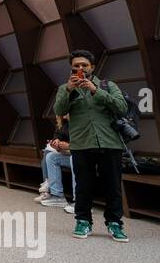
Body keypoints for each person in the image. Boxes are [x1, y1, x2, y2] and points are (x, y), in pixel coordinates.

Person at [53, 49, 130, 241]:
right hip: (81, 144)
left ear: (92, 67)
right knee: (83, 186)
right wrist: (69, 90)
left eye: (84, 65)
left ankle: (115, 223)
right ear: (71, 69)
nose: (80, 69)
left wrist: (96, 91)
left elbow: (121, 108)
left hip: (110, 143)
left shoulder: (108, 85)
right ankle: (83, 221)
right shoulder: (65, 89)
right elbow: (59, 111)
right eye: (76, 66)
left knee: (112, 186)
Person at [35, 115, 72, 208]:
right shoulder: (64, 123)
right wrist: (56, 142)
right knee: (49, 154)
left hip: (81, 156)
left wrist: (68, 146)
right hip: (69, 153)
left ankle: (47, 186)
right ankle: (57, 195)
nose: (63, 114)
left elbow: (84, 142)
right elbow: (57, 134)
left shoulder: (80, 122)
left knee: (74, 158)